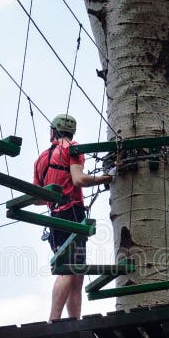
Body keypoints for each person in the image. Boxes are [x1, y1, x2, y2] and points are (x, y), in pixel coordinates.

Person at [33, 114, 113, 321]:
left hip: (56, 217)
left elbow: (37, 199)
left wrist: (56, 194)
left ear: (53, 131)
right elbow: (78, 180)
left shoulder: (41, 159)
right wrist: (106, 178)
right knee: (69, 269)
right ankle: (54, 319)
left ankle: (73, 322)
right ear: (71, 132)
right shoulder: (73, 148)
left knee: (76, 272)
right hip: (72, 213)